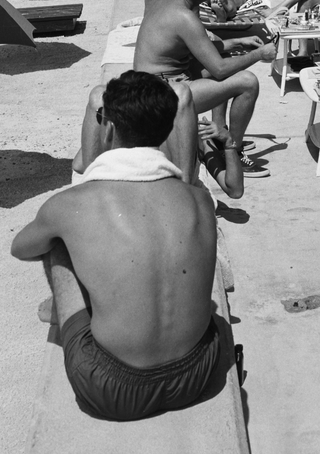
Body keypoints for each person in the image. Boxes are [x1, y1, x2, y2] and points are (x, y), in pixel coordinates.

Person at [11, 71, 220, 421]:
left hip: (111, 387)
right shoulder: (200, 200)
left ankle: (66, 312)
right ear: (168, 130)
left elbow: (22, 248)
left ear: (107, 127)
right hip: (196, 373)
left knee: (57, 243)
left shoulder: (73, 203)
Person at [133, 0, 276, 177]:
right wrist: (260, 55)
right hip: (162, 94)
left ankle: (219, 133)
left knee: (228, 60)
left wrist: (239, 42)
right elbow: (218, 69)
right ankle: (232, 149)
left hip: (161, 81)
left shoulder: (174, 2)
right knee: (247, 82)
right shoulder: (184, 16)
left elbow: (199, 46)